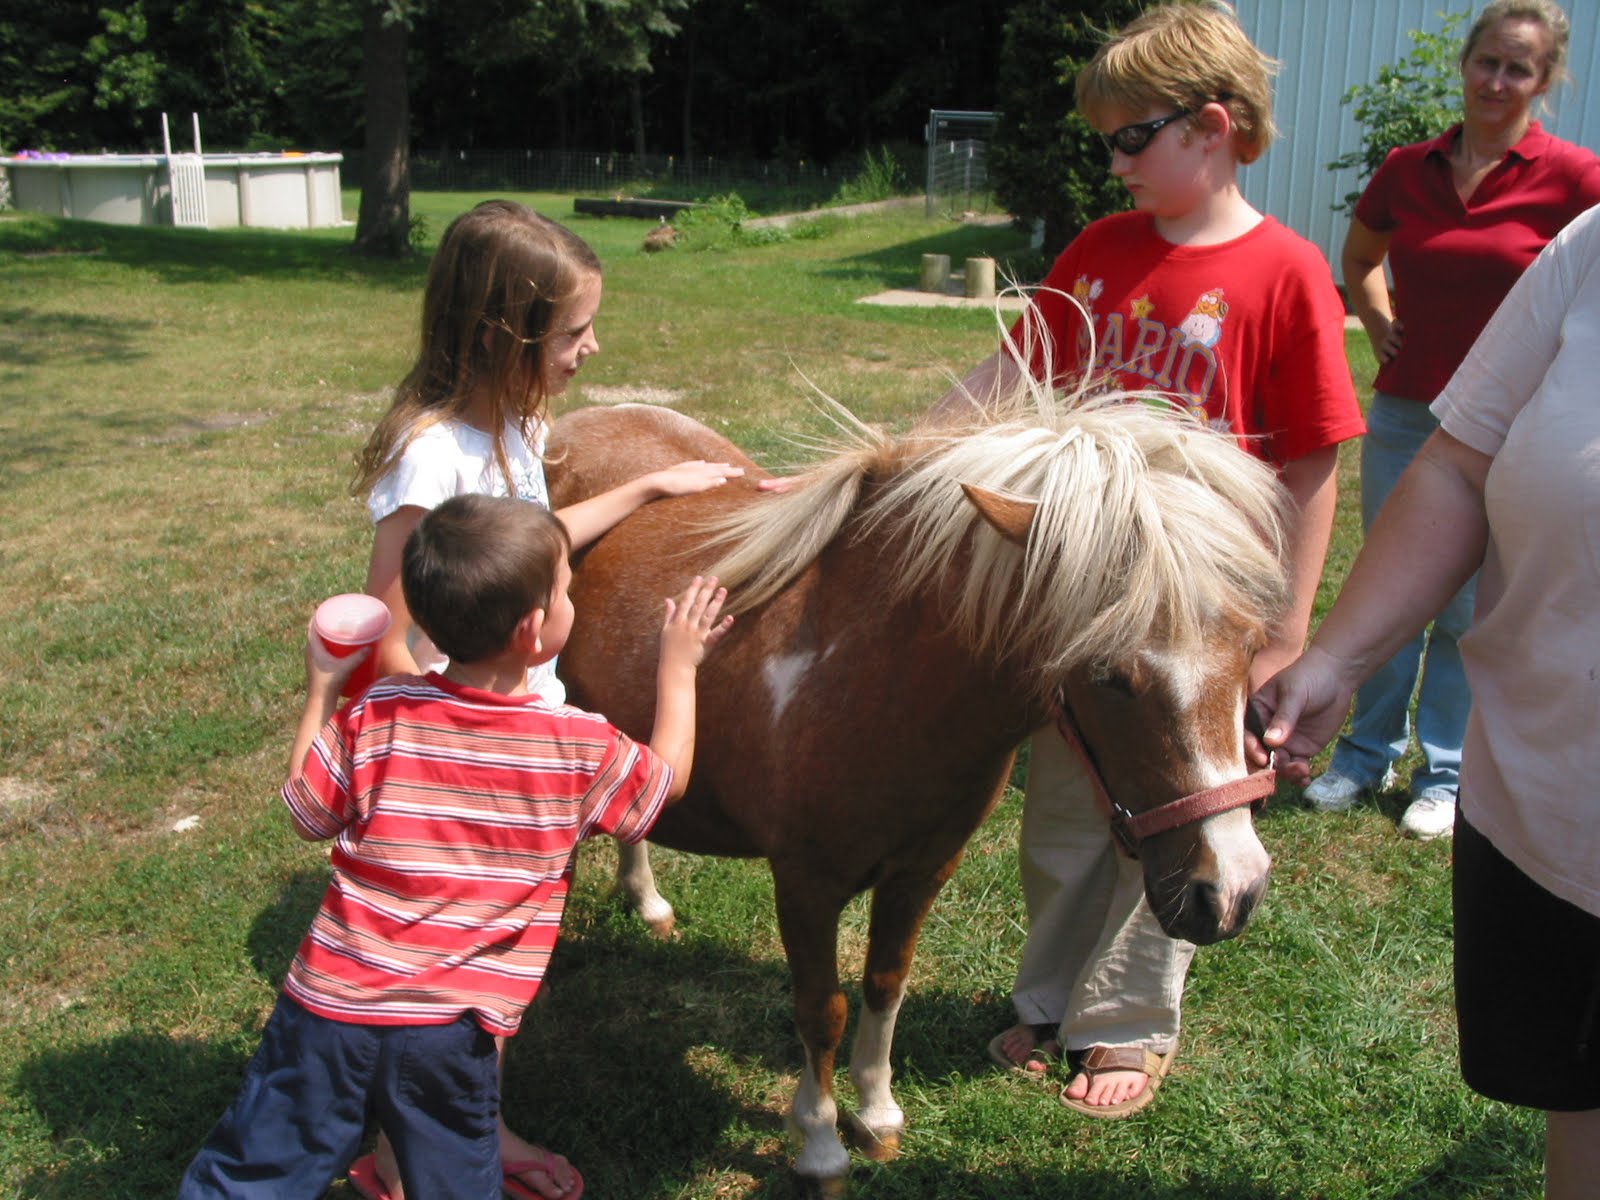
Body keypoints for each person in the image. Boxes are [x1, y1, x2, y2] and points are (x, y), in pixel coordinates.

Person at [932, 2, 1364, 1116]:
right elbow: (1001, 381)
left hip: (1197, 616)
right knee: (1069, 808)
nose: (1112, 162)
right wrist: (895, 461)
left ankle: (1123, 1024)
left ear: (1210, 127)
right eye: (1107, 142)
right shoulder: (1096, 253)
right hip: (1087, 606)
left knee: (1173, 808)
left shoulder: (1286, 271)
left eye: (1131, 139)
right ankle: (1048, 996)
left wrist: (1286, 628)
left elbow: (1312, 463)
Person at [347, 200, 743, 1199]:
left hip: (510, 757)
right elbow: (392, 636)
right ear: (499, 334)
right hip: (465, 774)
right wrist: (478, 740)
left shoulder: (514, 426)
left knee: (497, 976)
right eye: (572, 332)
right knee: (447, 980)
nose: (590, 349)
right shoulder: (432, 455)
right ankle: (404, 1150)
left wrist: (652, 490)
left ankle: (475, 1126)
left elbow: (528, 540)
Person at [178, 495, 733, 1199]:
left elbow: (308, 811)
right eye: (566, 587)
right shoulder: (575, 748)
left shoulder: (378, 711)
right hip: (447, 1033)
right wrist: (678, 666)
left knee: (256, 1171)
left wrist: (321, 687)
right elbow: (666, 783)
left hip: (326, 1006)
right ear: (535, 630)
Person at [1251, 199, 1600, 1200]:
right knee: (1575, 1095)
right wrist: (1333, 661)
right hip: (1545, 802)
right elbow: (1457, 464)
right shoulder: (1589, 244)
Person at [1310, 0, 1600, 838]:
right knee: (1390, 583)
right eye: (1488, 62)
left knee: (1470, 606)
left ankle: (1445, 770)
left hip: (1510, 428)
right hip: (1407, 413)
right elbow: (1361, 257)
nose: (1497, 81)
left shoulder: (1575, 180)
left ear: (1544, 83)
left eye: (1519, 68)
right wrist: (1374, 318)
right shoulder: (1409, 167)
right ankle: (1363, 756)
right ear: (1465, 65)